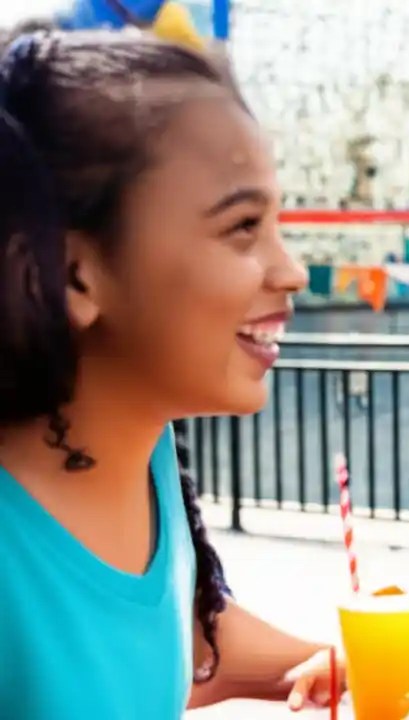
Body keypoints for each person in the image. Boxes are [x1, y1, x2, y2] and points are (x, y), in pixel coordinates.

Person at [0, 31, 339, 716]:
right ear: (76, 274)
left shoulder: (142, 452)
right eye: (243, 226)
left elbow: (195, 650)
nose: (292, 270)